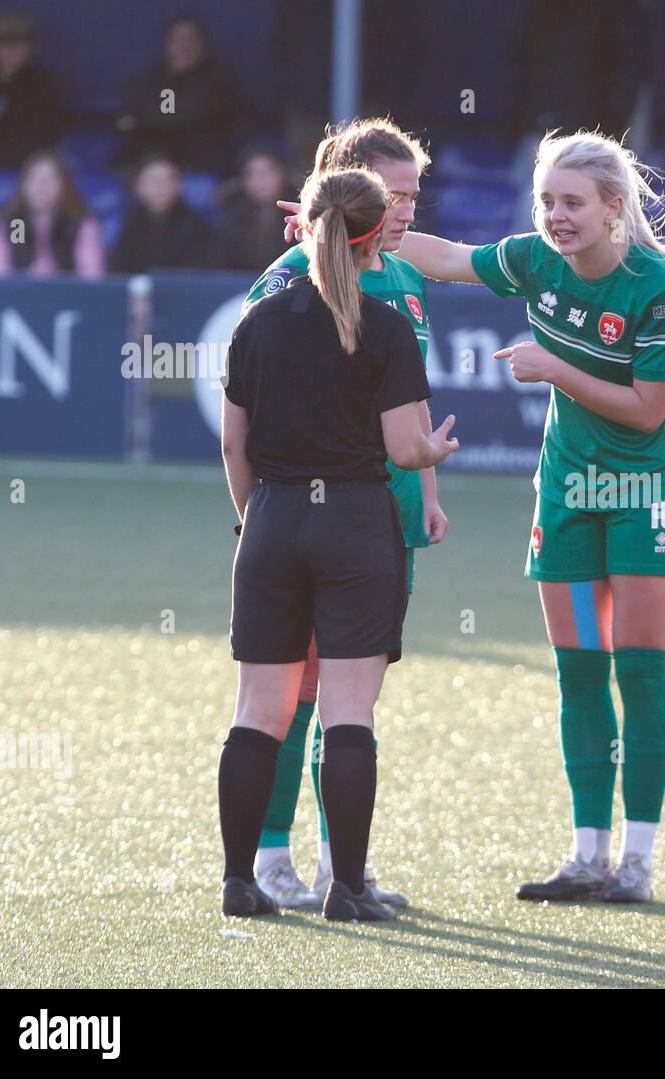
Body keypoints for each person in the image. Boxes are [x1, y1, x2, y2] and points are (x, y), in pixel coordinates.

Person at [399, 131, 665, 904]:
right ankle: (584, 855)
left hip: (646, 492)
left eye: (574, 202)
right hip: (567, 490)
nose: (557, 216)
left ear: (613, 208)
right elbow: (445, 257)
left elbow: (647, 410)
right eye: (548, 201)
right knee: (578, 676)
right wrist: (355, 221)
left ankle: (637, 861)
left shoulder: (655, 285)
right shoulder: (535, 258)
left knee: (638, 672)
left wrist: (554, 365)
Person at [218, 165, 458, 920]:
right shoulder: (385, 324)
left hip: (274, 520)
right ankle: (346, 887)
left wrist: (257, 516)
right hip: (355, 522)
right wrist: (435, 451)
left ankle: (240, 881)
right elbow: (404, 446)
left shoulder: (256, 319)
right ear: (370, 237)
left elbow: (234, 447)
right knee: (348, 711)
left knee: (259, 709)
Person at [114, 15, 241, 175]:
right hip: (149, 152)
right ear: (168, 44)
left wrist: (155, 119)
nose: (184, 45)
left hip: (199, 158)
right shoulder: (150, 78)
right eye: (178, 39)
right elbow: (128, 117)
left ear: (202, 45)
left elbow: (194, 115)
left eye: (190, 38)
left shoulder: (219, 80)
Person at [0, 11, 67, 168]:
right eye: (6, 42)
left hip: (11, 171)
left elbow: (41, 137)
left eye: (21, 43)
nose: (13, 50)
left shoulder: (45, 83)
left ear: (32, 47)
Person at [0, 150, 103, 278]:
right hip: (21, 294)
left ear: (65, 186)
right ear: (23, 185)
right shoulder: (16, 224)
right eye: (34, 177)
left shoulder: (78, 224)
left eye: (51, 178)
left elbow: (91, 278)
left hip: (67, 295)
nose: (41, 184)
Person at [109, 154, 215, 272]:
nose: (159, 188)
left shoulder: (198, 227)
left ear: (179, 186)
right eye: (153, 181)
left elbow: (199, 278)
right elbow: (117, 273)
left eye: (166, 181)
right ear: (138, 187)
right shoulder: (130, 226)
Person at [213, 148, 295, 272]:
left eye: (268, 171)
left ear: (282, 174)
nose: (261, 180)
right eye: (252, 174)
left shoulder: (301, 214)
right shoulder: (230, 220)